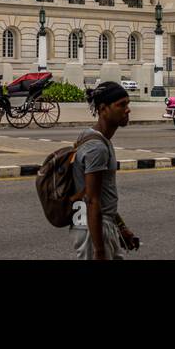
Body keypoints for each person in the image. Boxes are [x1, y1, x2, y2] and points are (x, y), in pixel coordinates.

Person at [70, 82, 140, 260]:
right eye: (121, 105)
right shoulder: (97, 148)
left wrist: (121, 227)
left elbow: (101, 195)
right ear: (103, 109)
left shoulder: (92, 136)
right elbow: (92, 200)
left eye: (128, 104)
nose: (128, 110)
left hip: (97, 223)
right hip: (94, 227)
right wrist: (99, 250)